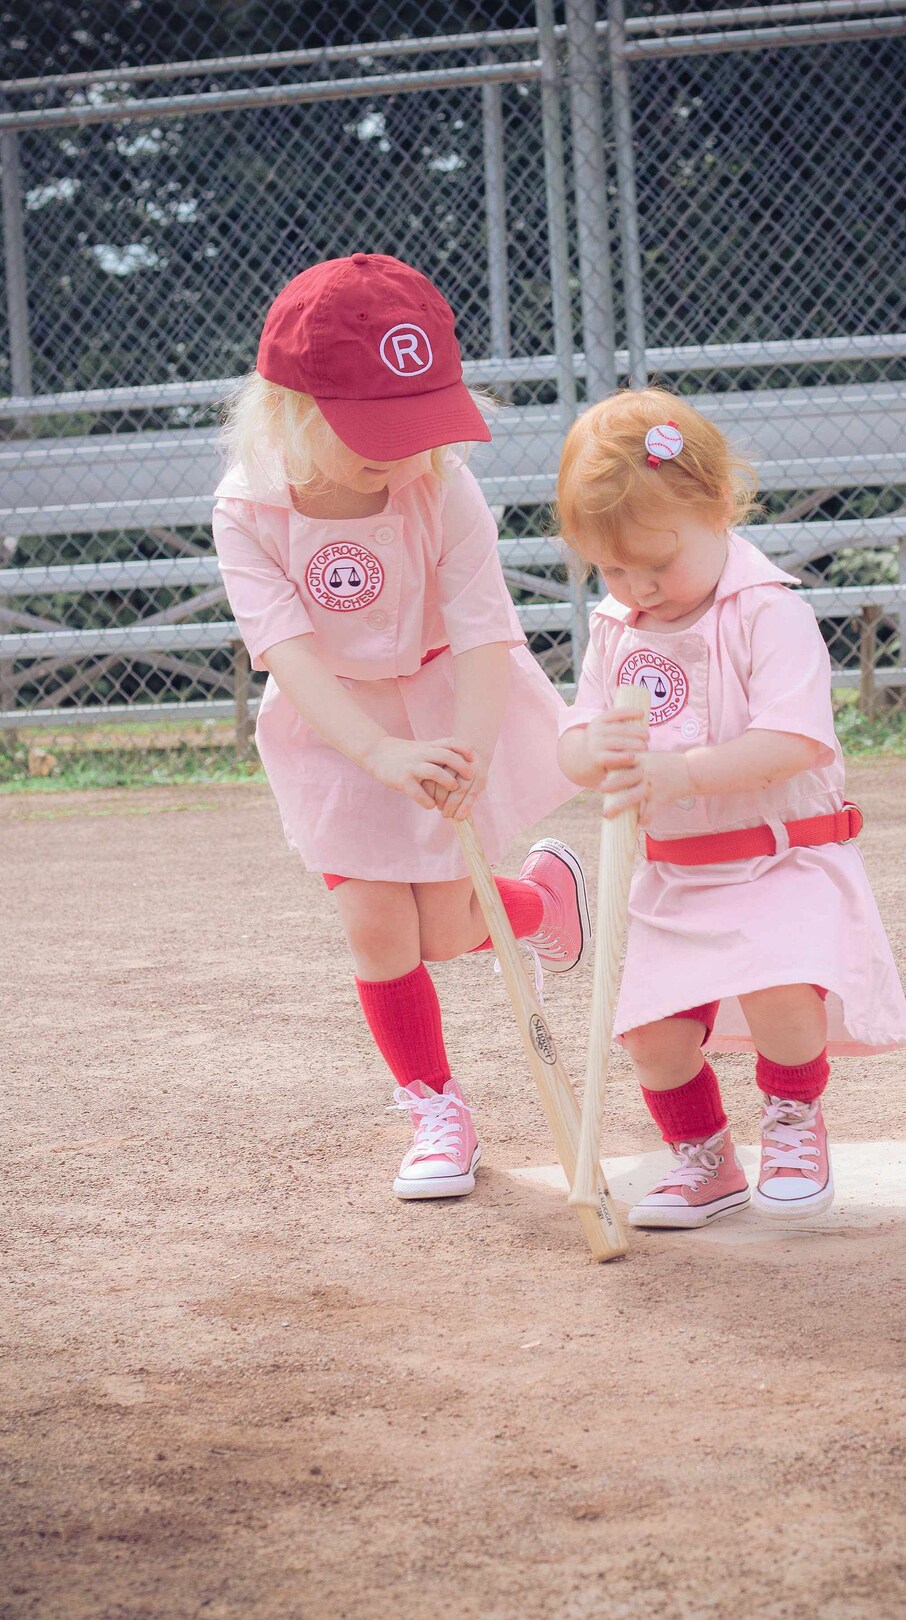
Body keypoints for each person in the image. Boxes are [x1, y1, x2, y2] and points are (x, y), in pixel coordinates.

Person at [212, 252, 588, 1203]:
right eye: (380, 438)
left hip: (451, 703)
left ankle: (540, 901)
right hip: (334, 726)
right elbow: (288, 651)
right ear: (293, 412)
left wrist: (465, 751)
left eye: (423, 429)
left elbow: (483, 631)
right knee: (381, 931)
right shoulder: (245, 508)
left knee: (448, 922)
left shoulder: (443, 487)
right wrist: (375, 750)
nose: (412, 456)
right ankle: (433, 1107)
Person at [555, 388, 906, 1229]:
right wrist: (588, 753)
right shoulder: (618, 628)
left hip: (779, 857)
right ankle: (704, 1160)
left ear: (717, 508)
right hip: (675, 875)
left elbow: (796, 741)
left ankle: (793, 1124)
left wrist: (681, 773)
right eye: (613, 569)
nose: (639, 587)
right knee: (650, 1036)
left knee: (783, 998)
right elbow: (574, 739)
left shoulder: (768, 611)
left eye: (657, 562)